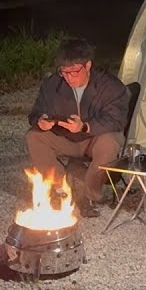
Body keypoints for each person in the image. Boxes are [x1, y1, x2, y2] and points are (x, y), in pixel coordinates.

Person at [26, 38, 130, 217]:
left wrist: (85, 127)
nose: (69, 77)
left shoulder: (110, 86)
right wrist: (40, 121)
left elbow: (116, 120)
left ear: (88, 65)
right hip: (67, 138)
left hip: (94, 138)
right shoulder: (53, 85)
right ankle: (61, 189)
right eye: (64, 72)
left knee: (110, 142)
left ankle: (89, 195)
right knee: (34, 136)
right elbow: (35, 113)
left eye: (74, 71)